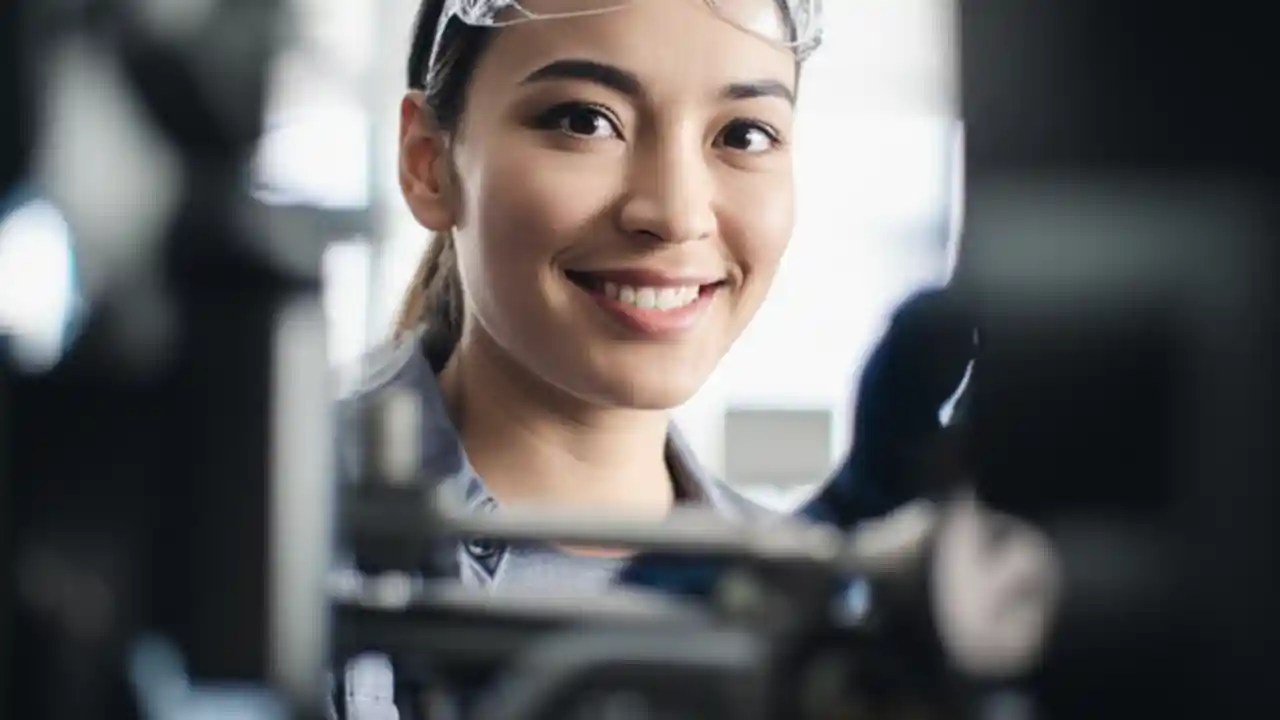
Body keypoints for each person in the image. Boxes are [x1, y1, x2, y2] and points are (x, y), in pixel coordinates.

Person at [335, 1, 823, 715]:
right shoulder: (252, 535)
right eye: (585, 121)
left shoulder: (813, 607)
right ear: (429, 164)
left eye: (744, 134)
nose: (675, 212)